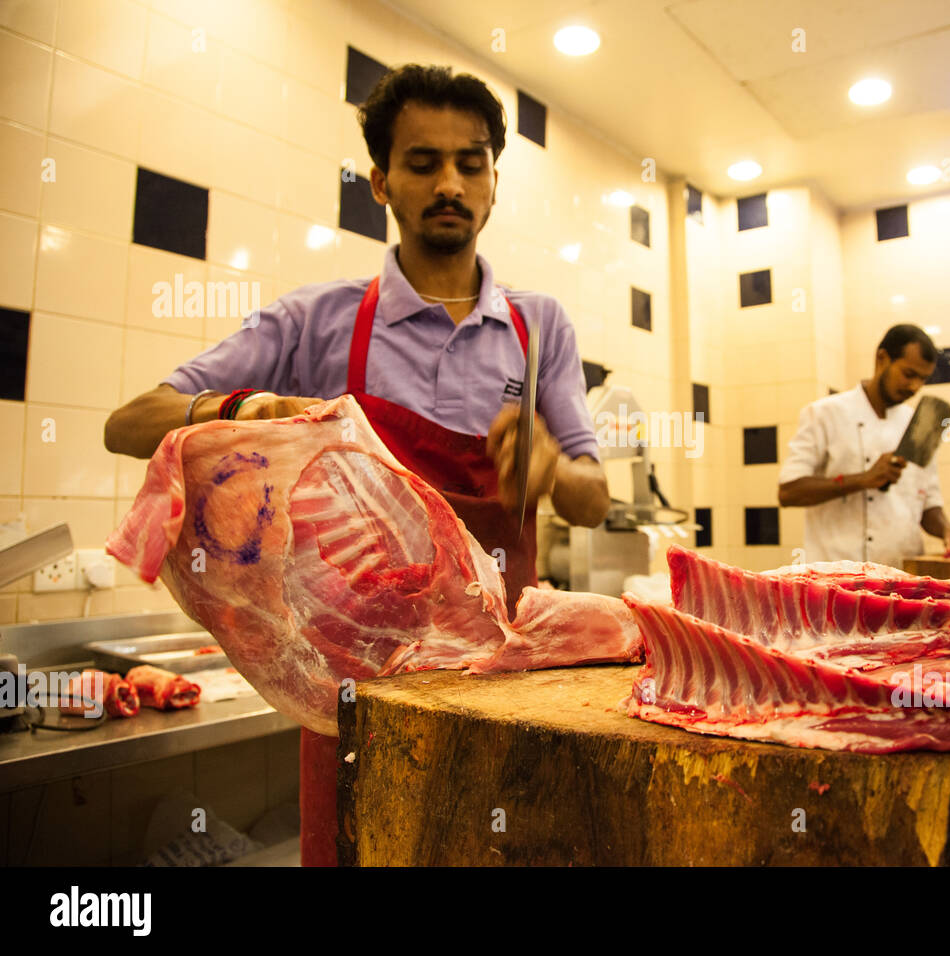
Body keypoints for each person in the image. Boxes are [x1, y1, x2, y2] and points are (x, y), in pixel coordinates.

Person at [103, 64, 610, 865]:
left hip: (510, 680)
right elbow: (128, 423)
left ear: (493, 183)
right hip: (356, 693)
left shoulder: (539, 327)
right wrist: (238, 408)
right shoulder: (317, 320)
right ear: (380, 181)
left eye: (469, 163)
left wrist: (552, 468)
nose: (449, 183)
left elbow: (592, 499)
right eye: (421, 163)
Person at [777, 324, 950, 567]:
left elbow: (928, 503)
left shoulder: (918, 423)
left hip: (903, 577)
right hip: (838, 578)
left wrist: (948, 530)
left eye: (922, 379)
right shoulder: (824, 414)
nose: (914, 387)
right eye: (908, 374)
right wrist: (864, 479)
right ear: (882, 359)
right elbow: (788, 492)